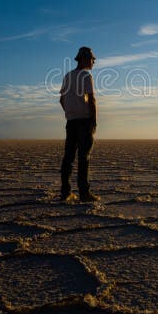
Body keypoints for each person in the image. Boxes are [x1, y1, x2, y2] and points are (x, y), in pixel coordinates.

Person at [59, 46, 100, 202]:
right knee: (84, 157)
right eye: (92, 59)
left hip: (71, 121)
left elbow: (62, 99)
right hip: (84, 121)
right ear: (84, 59)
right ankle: (84, 193)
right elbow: (91, 99)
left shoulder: (67, 76)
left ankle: (65, 192)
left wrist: (70, 112)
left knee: (68, 157)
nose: (93, 62)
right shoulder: (86, 76)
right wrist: (93, 120)